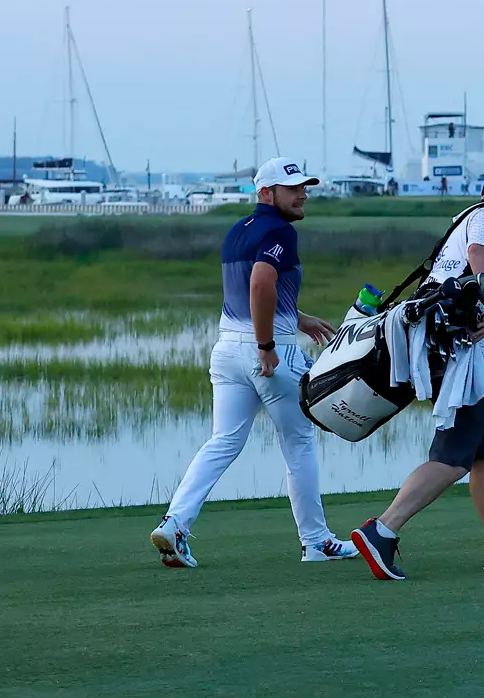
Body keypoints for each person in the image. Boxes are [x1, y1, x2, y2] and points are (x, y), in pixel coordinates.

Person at [149, 158, 357, 568]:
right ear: (266, 193)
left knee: (223, 441)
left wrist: (299, 317)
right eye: (292, 187)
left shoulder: (237, 230)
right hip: (267, 354)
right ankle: (316, 543)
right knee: (298, 443)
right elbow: (261, 282)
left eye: (303, 186)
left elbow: (255, 291)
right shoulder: (281, 230)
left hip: (227, 351)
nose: (302, 193)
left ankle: (175, 524)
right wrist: (266, 345)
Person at [351, 170, 484, 581]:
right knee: (452, 460)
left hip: (459, 353)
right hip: (464, 360)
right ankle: (382, 531)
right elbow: (479, 252)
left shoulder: (482, 219)